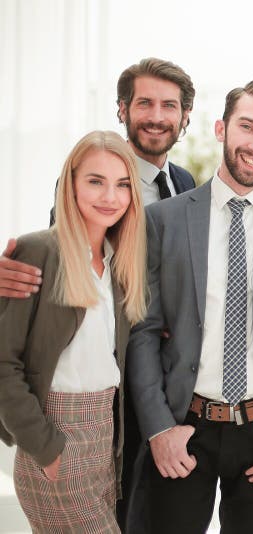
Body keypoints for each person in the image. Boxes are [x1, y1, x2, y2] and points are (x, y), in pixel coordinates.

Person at [126, 79, 253, 533]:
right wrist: (159, 427)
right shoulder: (165, 219)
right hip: (185, 425)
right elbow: (143, 329)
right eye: (247, 127)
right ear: (222, 128)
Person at [0, 57, 196, 532]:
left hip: (126, 407)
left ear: (185, 117)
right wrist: (45, 446)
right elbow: (46, 301)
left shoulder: (183, 185)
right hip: (68, 414)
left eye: (168, 105)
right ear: (122, 109)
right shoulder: (60, 230)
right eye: (144, 102)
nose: (156, 114)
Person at [0, 130, 147, 532]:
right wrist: (46, 449)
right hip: (55, 433)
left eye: (122, 185)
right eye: (95, 181)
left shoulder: (120, 265)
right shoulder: (38, 251)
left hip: (104, 437)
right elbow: (3, 362)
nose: (110, 197)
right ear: (71, 184)